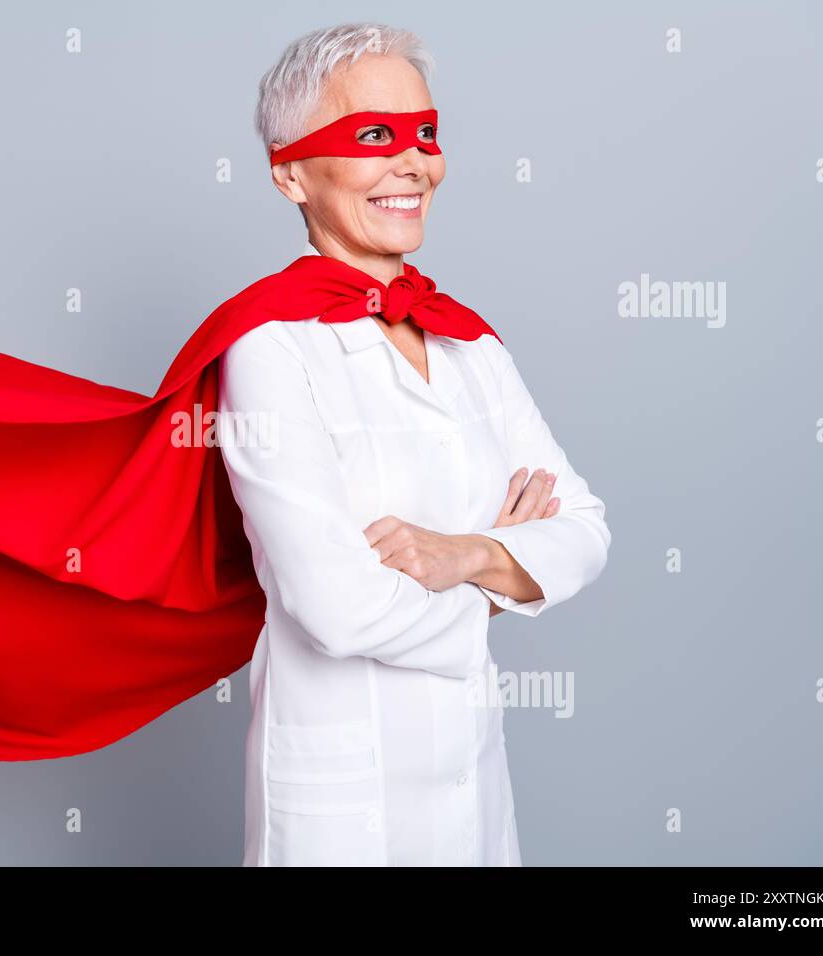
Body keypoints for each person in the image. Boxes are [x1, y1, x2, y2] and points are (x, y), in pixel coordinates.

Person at [217, 23, 611, 866]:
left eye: (426, 135)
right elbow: (333, 608)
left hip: (474, 787)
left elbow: (585, 531)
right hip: (339, 801)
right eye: (372, 137)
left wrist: (464, 554)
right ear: (291, 172)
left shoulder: (470, 344)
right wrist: (503, 575)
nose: (415, 163)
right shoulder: (268, 349)